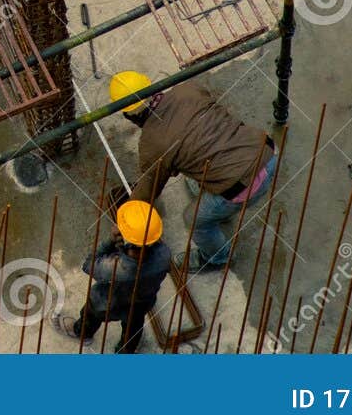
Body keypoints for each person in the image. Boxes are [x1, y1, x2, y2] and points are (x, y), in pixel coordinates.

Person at [111, 70, 278, 272]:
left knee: (194, 220)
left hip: (240, 186)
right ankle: (219, 205)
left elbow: (148, 190)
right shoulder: (186, 89)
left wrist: (126, 222)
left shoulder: (152, 144)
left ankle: (216, 259)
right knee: (202, 162)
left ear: (129, 116)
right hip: (266, 150)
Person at [51, 200, 169, 353]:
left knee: (90, 315)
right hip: (143, 302)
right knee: (134, 326)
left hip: (106, 304)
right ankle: (126, 351)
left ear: (127, 240)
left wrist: (110, 241)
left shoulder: (116, 267)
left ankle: (82, 333)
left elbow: (88, 265)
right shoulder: (164, 254)